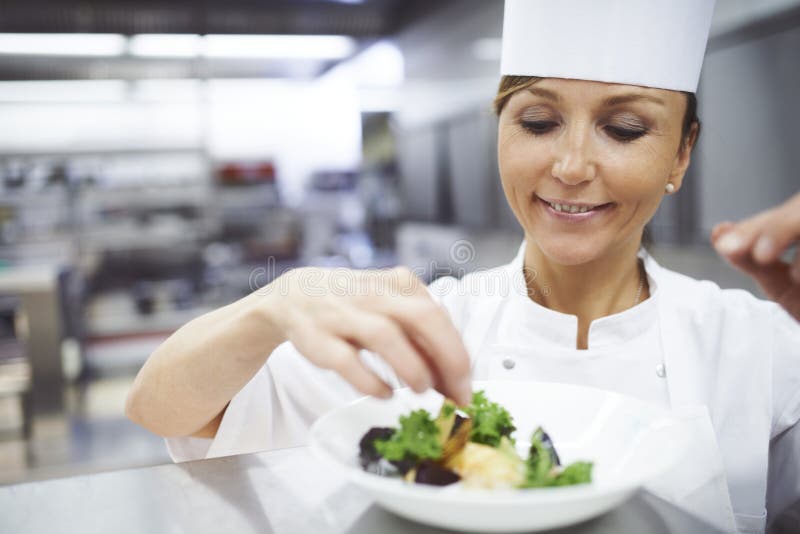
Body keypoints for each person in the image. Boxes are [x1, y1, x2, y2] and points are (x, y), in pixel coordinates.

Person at [126, 1, 799, 532]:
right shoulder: (419, 330)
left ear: (682, 155)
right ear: (501, 130)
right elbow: (164, 408)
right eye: (537, 121)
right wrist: (273, 305)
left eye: (623, 129)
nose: (570, 166)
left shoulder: (761, 344)